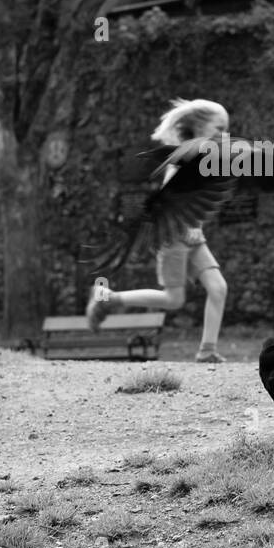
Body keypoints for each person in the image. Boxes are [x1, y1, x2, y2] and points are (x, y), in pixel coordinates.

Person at [86, 98, 230, 363]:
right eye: (218, 128)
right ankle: (108, 297)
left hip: (194, 237)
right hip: (175, 238)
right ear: (198, 127)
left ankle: (207, 350)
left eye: (226, 129)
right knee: (174, 299)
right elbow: (171, 201)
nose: (223, 134)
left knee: (218, 287)